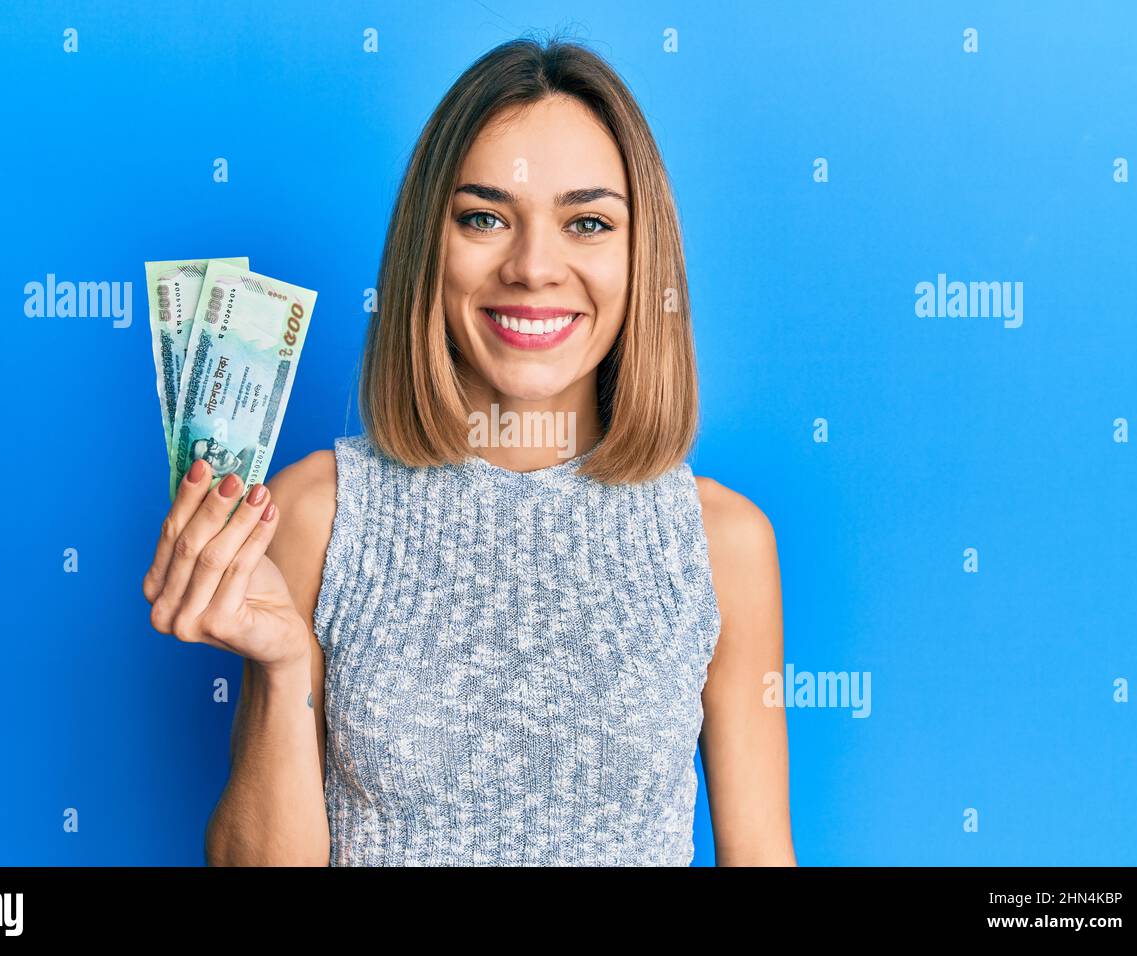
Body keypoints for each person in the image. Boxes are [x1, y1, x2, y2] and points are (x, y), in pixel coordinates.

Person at [143, 35, 795, 867]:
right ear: (428, 247)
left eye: (587, 222)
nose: (532, 267)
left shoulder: (722, 544)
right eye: (484, 217)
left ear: (642, 258)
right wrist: (278, 672)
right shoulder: (312, 512)